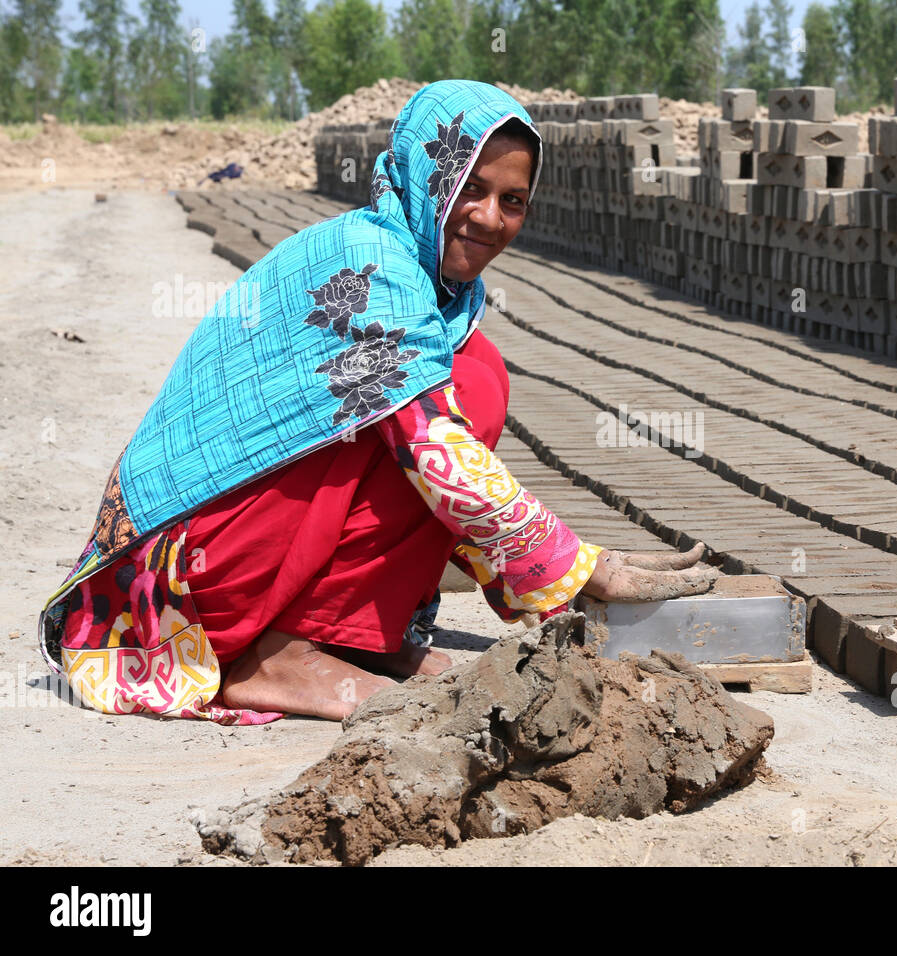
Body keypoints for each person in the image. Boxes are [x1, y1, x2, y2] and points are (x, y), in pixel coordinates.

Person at [37, 80, 718, 724]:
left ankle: (350, 632)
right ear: (425, 176)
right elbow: (433, 449)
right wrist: (579, 564)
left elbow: (448, 469)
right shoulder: (371, 265)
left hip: (224, 544)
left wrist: (549, 579)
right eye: (469, 189)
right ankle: (273, 651)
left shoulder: (433, 286)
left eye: (512, 201)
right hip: (179, 573)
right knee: (447, 400)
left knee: (471, 374)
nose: (488, 218)